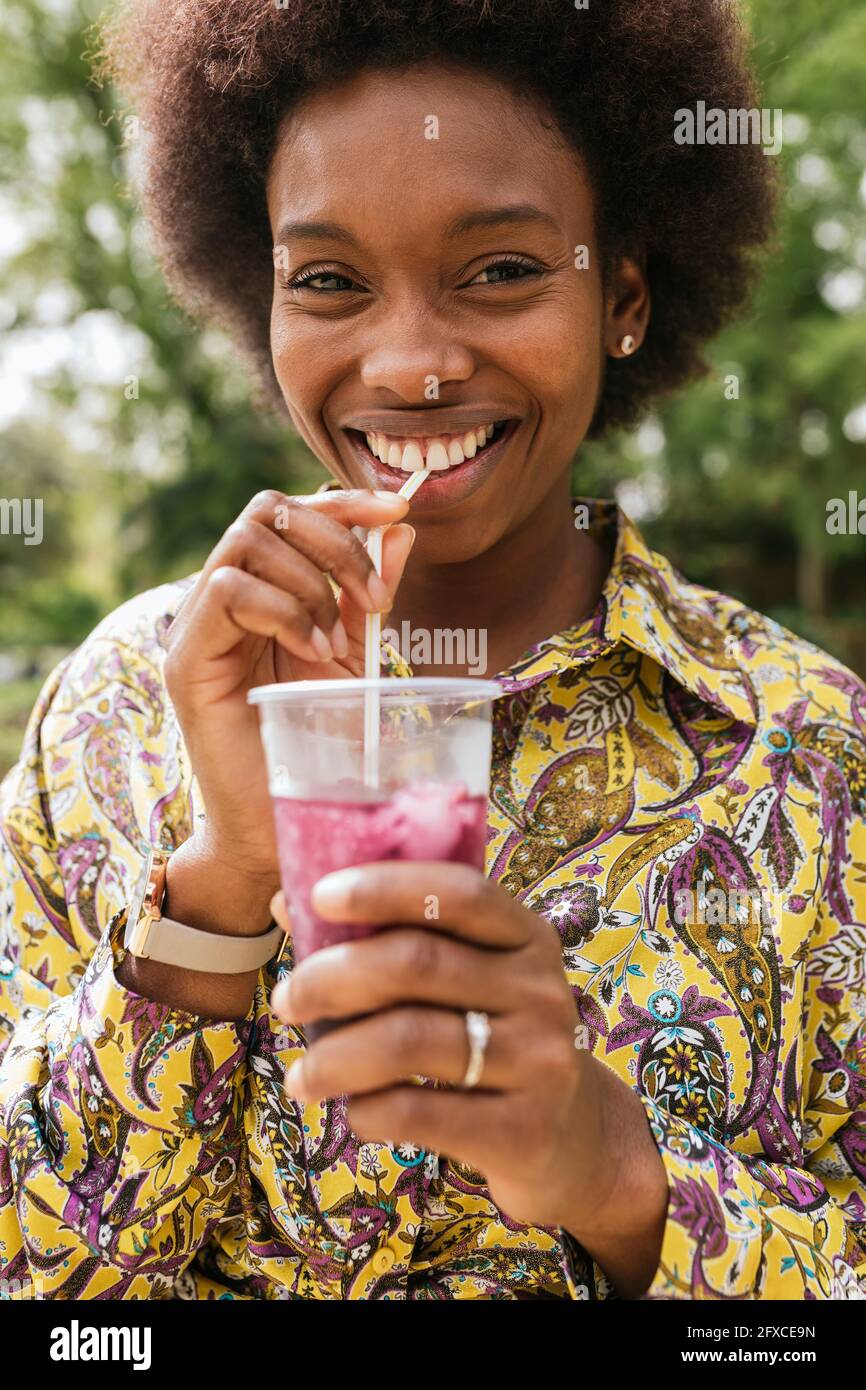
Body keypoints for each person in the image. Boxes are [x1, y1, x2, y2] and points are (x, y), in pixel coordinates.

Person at [1, 0, 864, 1302]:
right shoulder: (119, 705)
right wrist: (220, 892)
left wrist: (621, 1177)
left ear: (622, 295)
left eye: (501, 269)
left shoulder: (809, 750)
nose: (407, 365)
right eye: (331, 281)